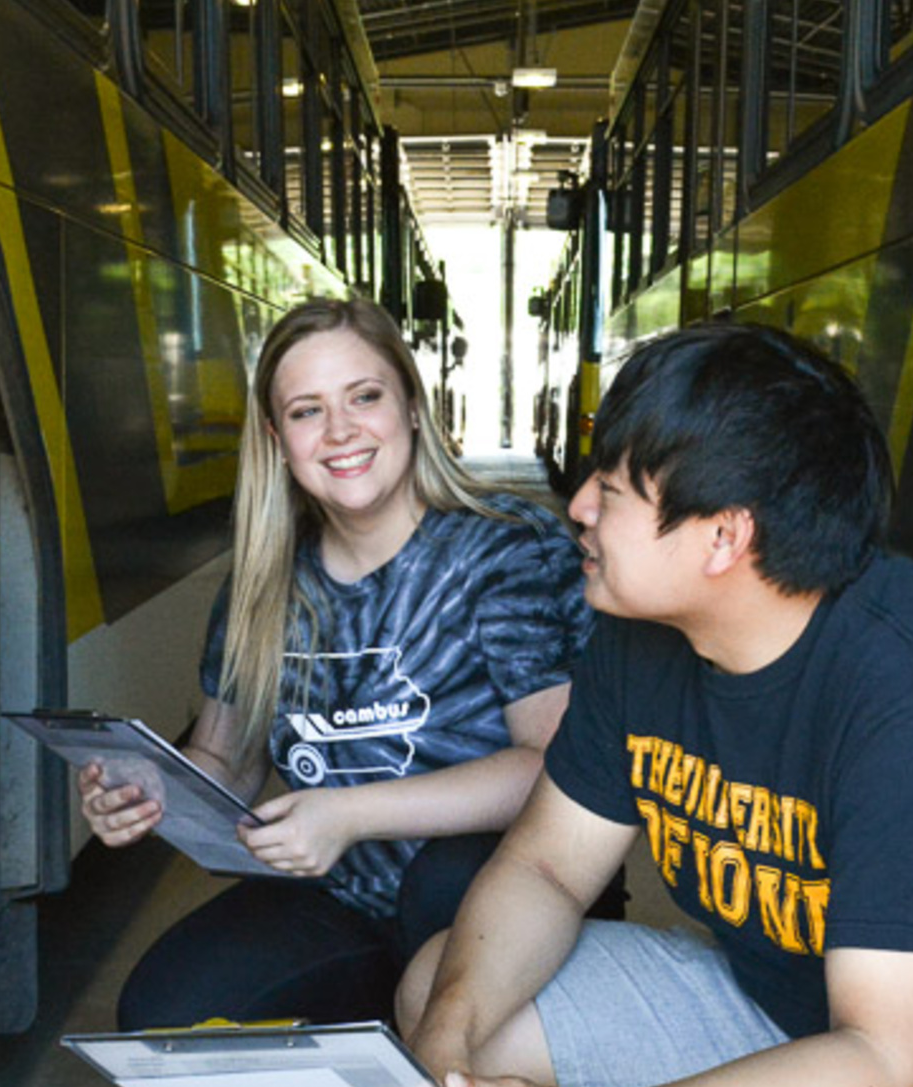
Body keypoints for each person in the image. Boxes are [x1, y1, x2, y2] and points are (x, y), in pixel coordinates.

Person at [398, 321, 913, 1087]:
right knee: (449, 992)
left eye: (611, 493)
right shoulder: (640, 638)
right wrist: (441, 1058)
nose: (579, 511)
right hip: (792, 1018)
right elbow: (546, 868)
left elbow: (890, 1061)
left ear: (723, 539)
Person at [77, 297, 613, 1030]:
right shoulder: (262, 585)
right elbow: (224, 760)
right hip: (342, 897)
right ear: (276, 437)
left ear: (413, 409)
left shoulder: (505, 549)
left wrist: (349, 813)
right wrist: (150, 788)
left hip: (504, 892)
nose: (341, 431)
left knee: (443, 880)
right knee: (163, 1012)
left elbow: (558, 768)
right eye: (306, 411)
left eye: (365, 396)